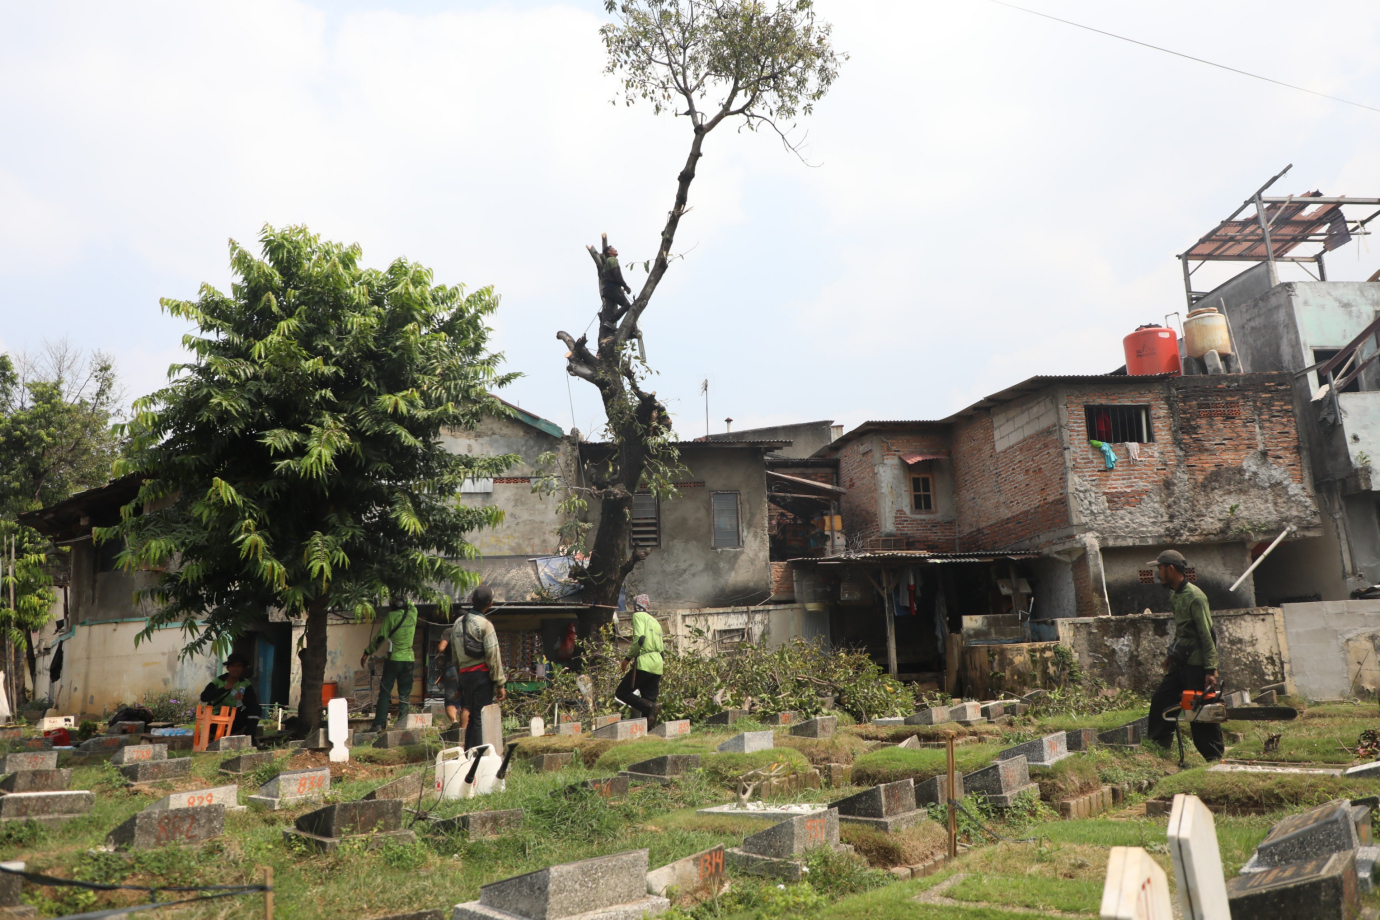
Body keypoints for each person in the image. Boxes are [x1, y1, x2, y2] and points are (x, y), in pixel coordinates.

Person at [1145, 549, 1225, 762]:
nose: (1158, 573)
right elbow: (1183, 631)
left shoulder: (1195, 597)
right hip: (1181, 660)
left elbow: (1208, 635)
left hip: (1197, 665)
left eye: (1160, 569)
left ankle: (1214, 757)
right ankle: (1158, 747)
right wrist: (1174, 654)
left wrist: (1210, 670)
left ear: (1170, 569)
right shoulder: (1174, 594)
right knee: (1162, 700)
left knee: (1198, 710)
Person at [450, 585, 506, 750]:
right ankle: (479, 756)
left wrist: (460, 681)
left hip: (465, 676)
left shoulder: (457, 623)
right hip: (481, 676)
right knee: (480, 716)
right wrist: (500, 683)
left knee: (472, 716)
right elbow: (493, 656)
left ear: (472, 600)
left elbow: (455, 655)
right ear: (490, 604)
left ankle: (469, 752)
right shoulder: (486, 625)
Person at [360, 601, 419, 733]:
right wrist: (407, 601)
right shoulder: (413, 614)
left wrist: (368, 652)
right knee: (404, 693)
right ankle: (402, 723)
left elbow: (381, 637)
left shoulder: (391, 617)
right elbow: (412, 604)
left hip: (393, 659)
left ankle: (379, 724)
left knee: (385, 691)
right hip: (409, 659)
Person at [614, 603, 664, 729]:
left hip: (645, 663)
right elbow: (662, 649)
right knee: (649, 698)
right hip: (658, 664)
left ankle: (650, 707)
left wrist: (627, 659)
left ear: (636, 606)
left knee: (622, 692)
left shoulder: (638, 616)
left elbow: (640, 639)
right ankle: (650, 731)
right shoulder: (655, 621)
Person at [200, 652, 260, 737]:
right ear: (228, 668)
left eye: (239, 666)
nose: (236, 669)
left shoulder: (245, 683)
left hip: (234, 720)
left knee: (256, 709)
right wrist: (224, 689)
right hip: (215, 720)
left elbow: (253, 703)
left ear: (243, 668)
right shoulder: (218, 681)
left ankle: (249, 737)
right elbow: (204, 697)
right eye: (233, 666)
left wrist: (242, 698)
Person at [434, 619, 465, 733]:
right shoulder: (470, 631)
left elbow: (441, 648)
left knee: (451, 701)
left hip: (451, 668)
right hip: (467, 669)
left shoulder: (449, 631)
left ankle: (454, 721)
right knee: (466, 703)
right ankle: (463, 731)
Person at [601, 244, 634, 319]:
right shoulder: (612, 259)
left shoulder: (605, 265)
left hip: (607, 290)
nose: (615, 249)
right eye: (613, 248)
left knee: (609, 313)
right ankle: (612, 321)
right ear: (609, 252)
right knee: (626, 305)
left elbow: (603, 276)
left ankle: (608, 324)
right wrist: (625, 286)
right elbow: (617, 275)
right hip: (613, 288)